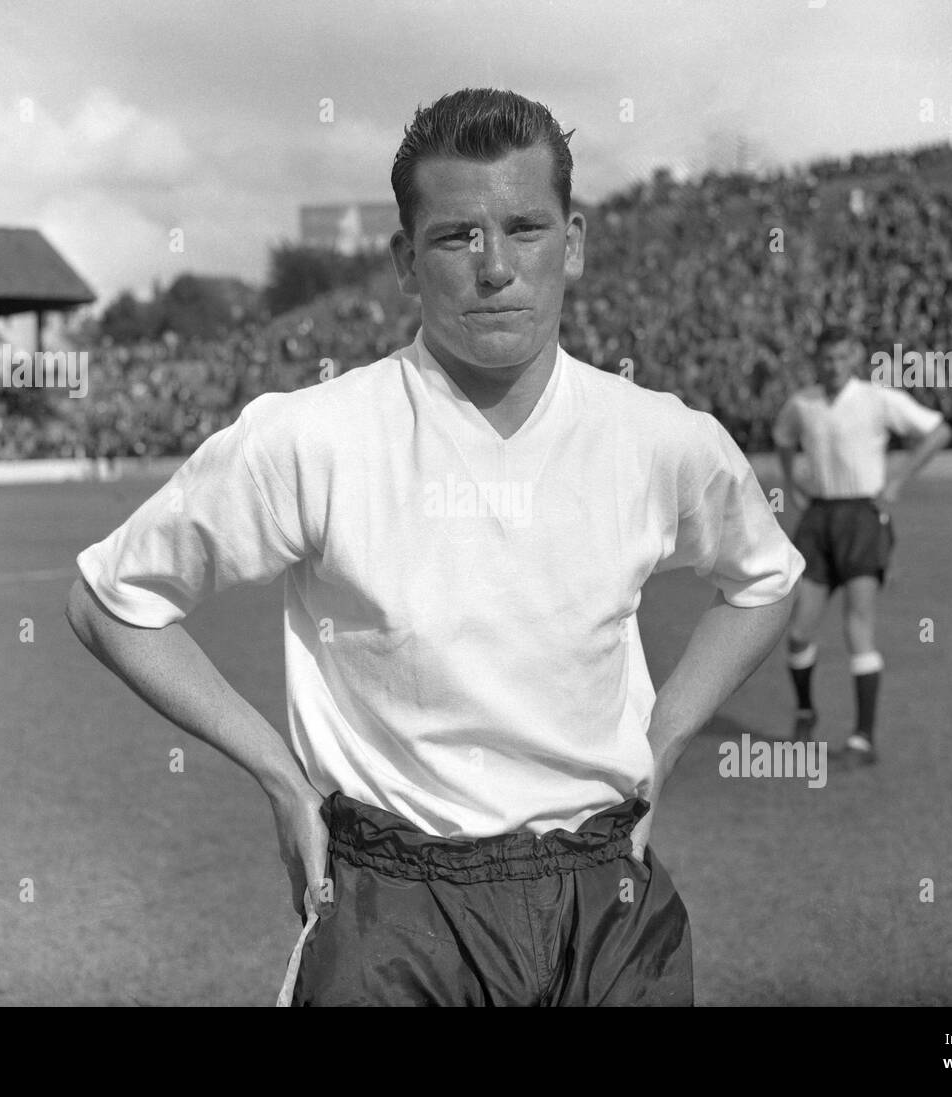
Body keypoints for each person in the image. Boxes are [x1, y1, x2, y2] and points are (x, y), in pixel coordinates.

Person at [66, 88, 803, 1007]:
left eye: (526, 228)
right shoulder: (312, 437)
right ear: (405, 260)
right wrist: (280, 779)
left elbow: (766, 580)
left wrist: (667, 734)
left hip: (608, 900)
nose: (496, 267)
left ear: (572, 242)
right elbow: (109, 601)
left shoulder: (660, 437)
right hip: (393, 906)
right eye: (456, 236)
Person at [773, 325, 952, 764]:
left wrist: (897, 482)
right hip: (818, 519)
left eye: (840, 357)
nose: (832, 366)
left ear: (853, 357)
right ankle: (805, 712)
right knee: (797, 632)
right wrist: (792, 482)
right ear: (817, 360)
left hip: (862, 519)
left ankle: (862, 738)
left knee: (858, 627)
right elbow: (781, 437)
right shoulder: (804, 403)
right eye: (826, 358)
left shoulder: (877, 398)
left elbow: (938, 431)